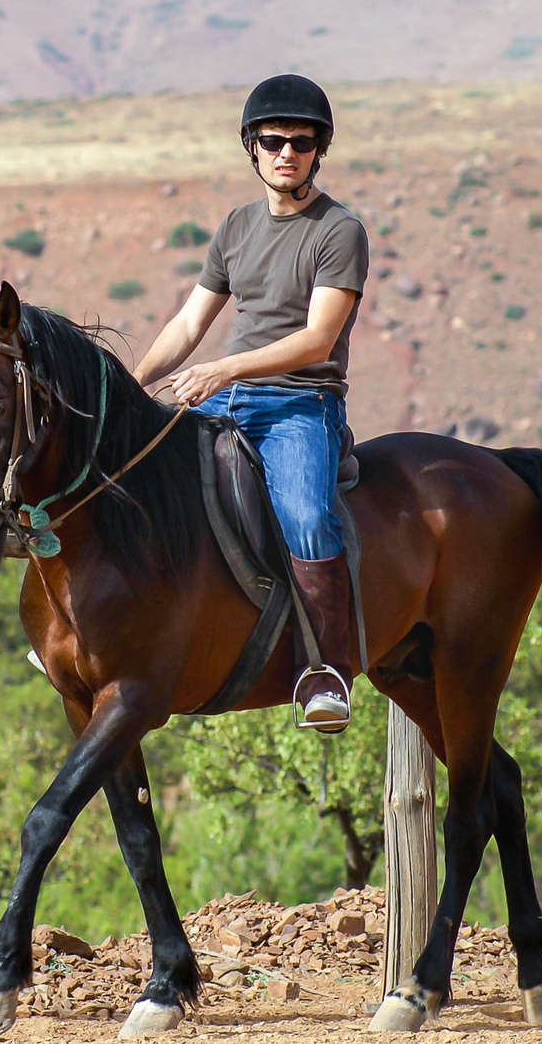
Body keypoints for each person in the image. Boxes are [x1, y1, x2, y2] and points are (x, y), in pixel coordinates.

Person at [132, 73, 369, 734]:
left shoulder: (339, 231)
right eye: (273, 141)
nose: (286, 152)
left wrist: (223, 367)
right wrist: (134, 386)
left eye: (301, 141)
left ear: (319, 150)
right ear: (252, 147)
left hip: (300, 405)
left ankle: (325, 670)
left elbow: (317, 337)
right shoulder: (236, 226)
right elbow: (187, 326)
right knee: (147, 481)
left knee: (306, 513)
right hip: (227, 400)